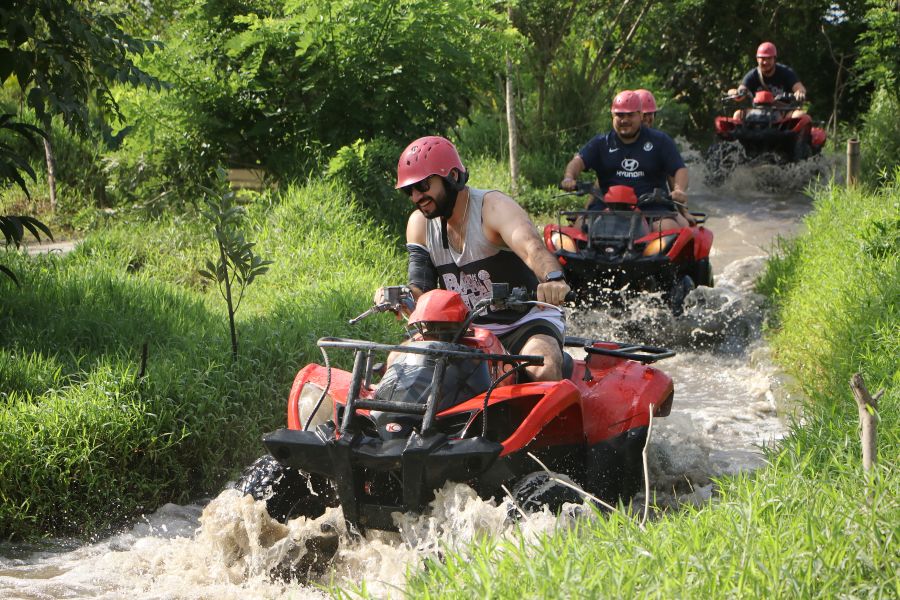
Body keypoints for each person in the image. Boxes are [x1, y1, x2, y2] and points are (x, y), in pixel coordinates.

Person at [378, 135, 571, 382]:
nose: (416, 197)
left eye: (424, 185)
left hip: (524, 322)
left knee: (541, 368)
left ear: (453, 177)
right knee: (397, 361)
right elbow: (420, 289)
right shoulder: (419, 224)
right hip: (463, 330)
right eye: (409, 190)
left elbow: (534, 249)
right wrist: (398, 296)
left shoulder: (492, 208)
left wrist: (552, 279)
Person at [560, 90, 691, 231]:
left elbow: (679, 169)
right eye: (620, 115)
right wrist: (569, 178)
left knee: (668, 229)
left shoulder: (660, 141)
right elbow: (578, 161)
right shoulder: (600, 142)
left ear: (641, 115)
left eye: (630, 115)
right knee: (581, 227)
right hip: (606, 205)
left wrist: (679, 190)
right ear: (612, 115)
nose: (625, 120)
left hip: (652, 207)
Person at [729, 41, 807, 119]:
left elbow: (799, 88)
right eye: (762, 58)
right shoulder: (752, 75)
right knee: (737, 115)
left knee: (800, 116)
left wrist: (799, 92)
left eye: (769, 58)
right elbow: (741, 91)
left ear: (774, 59)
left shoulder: (786, 72)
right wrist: (734, 93)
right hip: (757, 112)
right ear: (757, 59)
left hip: (783, 113)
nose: (765, 62)